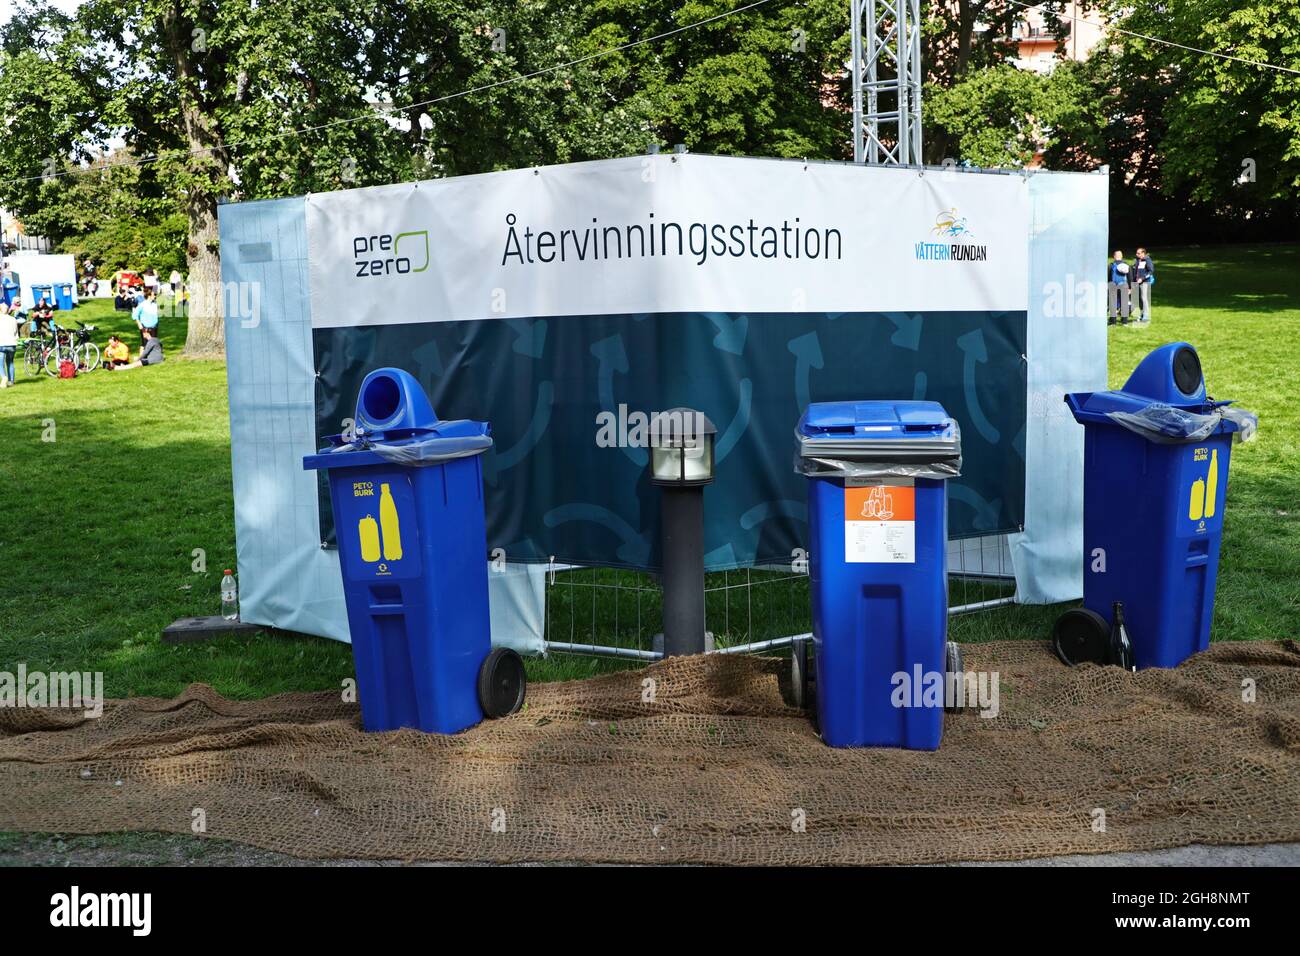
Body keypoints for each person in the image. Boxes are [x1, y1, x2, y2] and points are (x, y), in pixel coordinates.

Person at [1107, 250, 1132, 326]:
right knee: (1124, 303)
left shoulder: (1111, 265)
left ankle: (1113, 322)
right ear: (1121, 256)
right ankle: (1124, 322)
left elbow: (1108, 277)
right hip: (1124, 285)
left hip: (1113, 285)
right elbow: (1130, 277)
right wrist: (1130, 288)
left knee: (1113, 304)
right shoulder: (1126, 265)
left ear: (1114, 256)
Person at [1133, 247, 1155, 323]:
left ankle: (1146, 317)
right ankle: (1141, 315)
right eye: (1136, 253)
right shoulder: (1137, 260)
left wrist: (1142, 278)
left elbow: (1151, 271)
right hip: (1137, 282)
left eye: (1138, 253)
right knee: (1140, 299)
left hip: (1145, 282)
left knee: (1144, 298)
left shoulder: (1147, 260)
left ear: (1143, 253)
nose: (1136, 254)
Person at [0, 303, 18, 388]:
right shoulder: (13, 319)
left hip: (2, 343)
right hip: (12, 343)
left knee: (0, 363)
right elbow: (15, 331)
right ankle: (11, 381)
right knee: (10, 362)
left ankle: (4, 377)